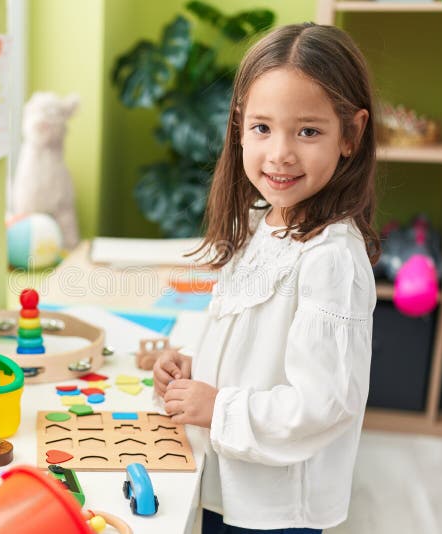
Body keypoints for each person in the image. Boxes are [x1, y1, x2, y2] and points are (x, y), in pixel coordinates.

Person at [154, 23, 380, 534]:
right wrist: (196, 366)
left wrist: (218, 406)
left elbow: (324, 405)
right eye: (262, 128)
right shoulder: (265, 221)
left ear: (351, 134)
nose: (280, 152)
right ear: (238, 127)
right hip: (231, 485)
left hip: (274, 508)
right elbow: (254, 341)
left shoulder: (331, 260)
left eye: (307, 131)